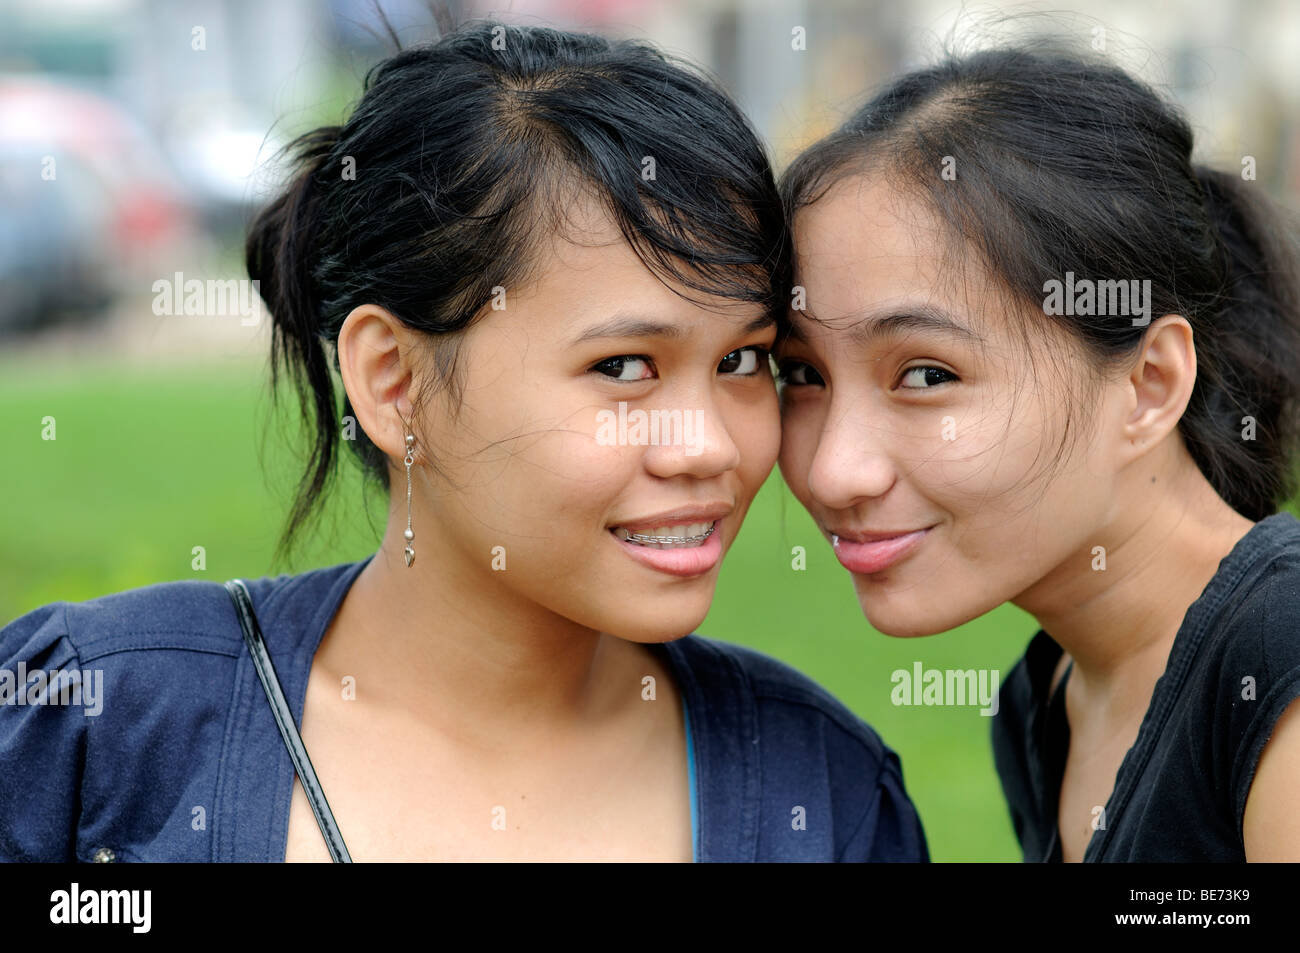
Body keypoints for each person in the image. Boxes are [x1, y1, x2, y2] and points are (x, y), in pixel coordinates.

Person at [0, 20, 927, 863]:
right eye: (623, 366)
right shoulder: (90, 730)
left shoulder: (823, 798)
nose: (709, 447)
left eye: (744, 360)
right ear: (393, 382)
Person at [775, 42, 1300, 861]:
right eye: (802, 374)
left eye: (927, 374)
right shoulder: (1045, 694)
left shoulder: (1279, 653)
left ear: (1149, 386)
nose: (832, 470)